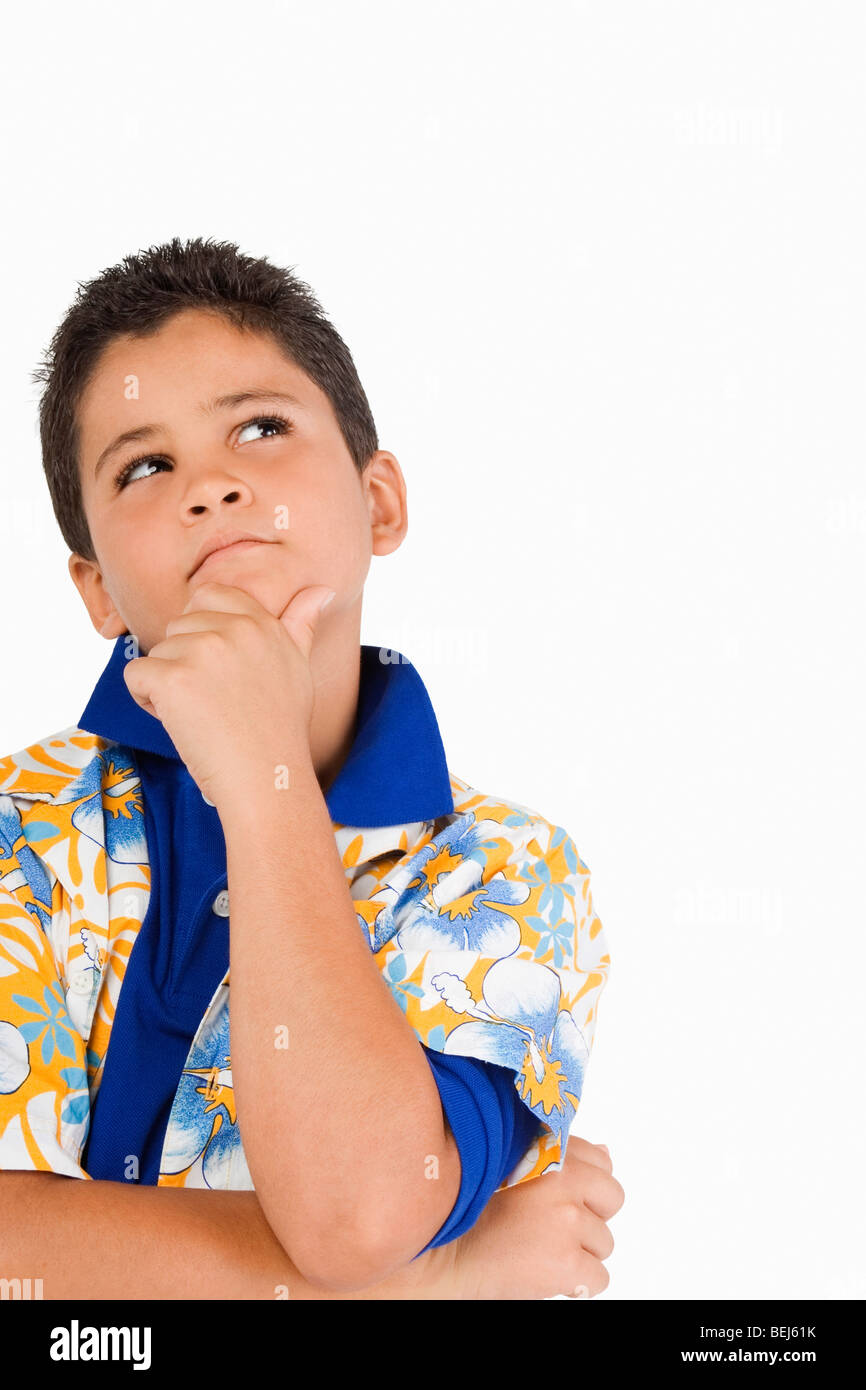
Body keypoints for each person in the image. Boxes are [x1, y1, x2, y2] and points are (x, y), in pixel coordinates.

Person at [0, 237, 622, 1298]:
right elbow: (371, 1259)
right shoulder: (23, 825)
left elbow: (361, 1213)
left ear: (379, 502)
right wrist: (422, 1282)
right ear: (97, 589)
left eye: (260, 427)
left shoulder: (507, 872)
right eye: (146, 466)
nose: (212, 486)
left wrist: (261, 776)